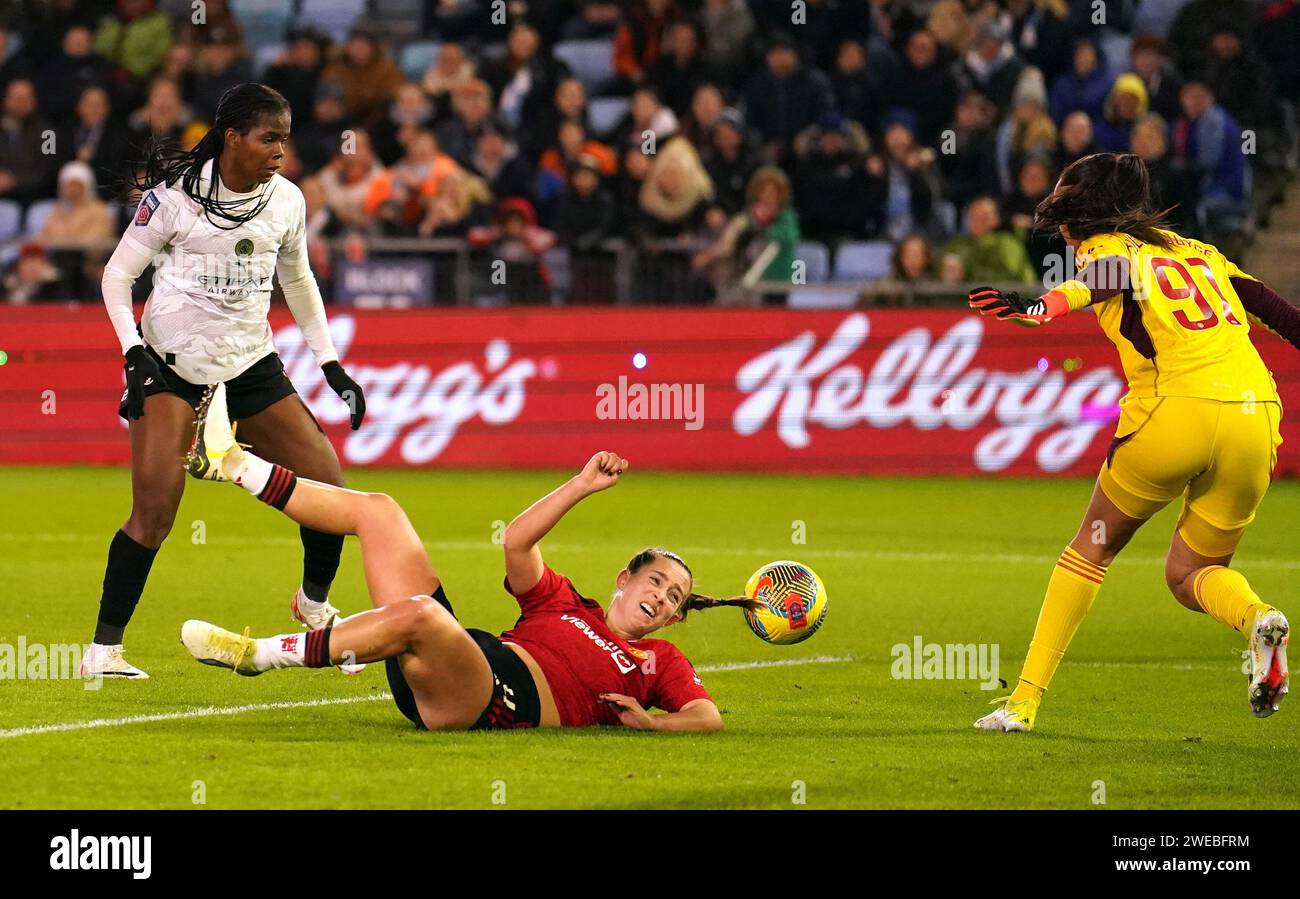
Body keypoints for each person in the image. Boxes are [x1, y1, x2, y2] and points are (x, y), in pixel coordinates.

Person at [181, 386, 750, 732]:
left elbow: (707, 717)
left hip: (492, 702)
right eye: (657, 580)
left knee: (423, 617)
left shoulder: (658, 659)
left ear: (674, 618)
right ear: (625, 579)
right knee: (379, 510)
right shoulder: (568, 604)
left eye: (674, 597)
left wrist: (653, 721)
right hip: (462, 660)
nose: (662, 596)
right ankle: (232, 464)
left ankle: (257, 655)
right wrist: (580, 485)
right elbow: (517, 543)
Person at [967, 152, 1300, 732]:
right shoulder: (1196, 252)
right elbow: (1282, 316)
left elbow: (1104, 279)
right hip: (1255, 418)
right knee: (1191, 572)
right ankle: (1258, 620)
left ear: (1076, 218)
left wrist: (1039, 307)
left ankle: (1022, 703)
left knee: (1089, 550)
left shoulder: (1106, 250)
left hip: (1175, 415)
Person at [83, 83, 368, 679]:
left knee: (331, 493)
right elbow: (116, 278)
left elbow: (300, 282)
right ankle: (104, 652)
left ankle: (313, 608)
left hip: (248, 366)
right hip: (171, 369)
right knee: (155, 513)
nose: (280, 151)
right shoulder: (173, 201)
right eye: (270, 138)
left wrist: (331, 363)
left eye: (285, 140)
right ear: (234, 137)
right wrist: (132, 354)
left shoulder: (288, 200)